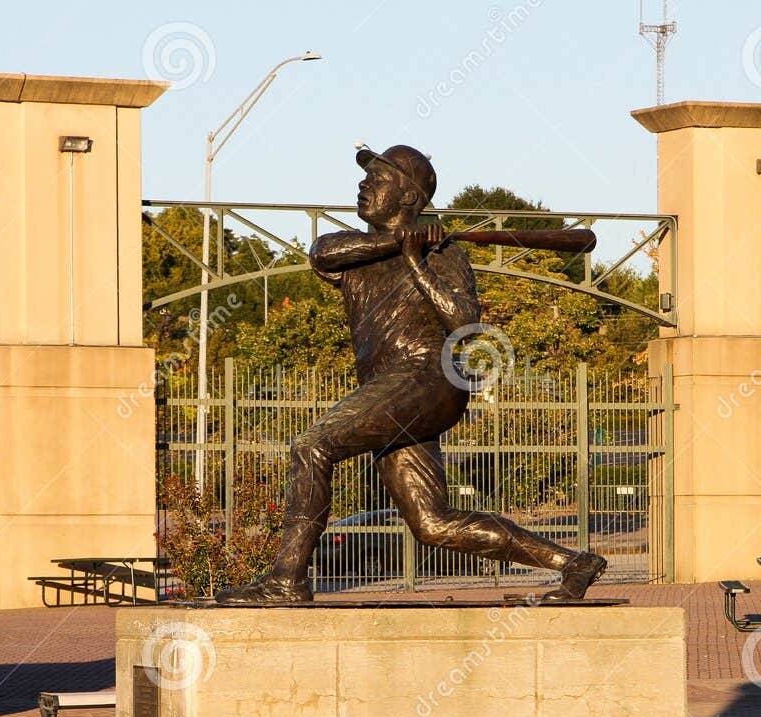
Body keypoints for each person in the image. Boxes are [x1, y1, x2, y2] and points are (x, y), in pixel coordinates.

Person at [217, 144, 606, 603]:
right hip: (390, 391)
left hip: (427, 379)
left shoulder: (442, 253)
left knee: (312, 445)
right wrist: (400, 242)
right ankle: (573, 563)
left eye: (377, 180)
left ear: (408, 198)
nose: (363, 186)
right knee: (431, 524)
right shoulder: (349, 249)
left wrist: (417, 261)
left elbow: (462, 323)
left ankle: (287, 580)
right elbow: (323, 253)